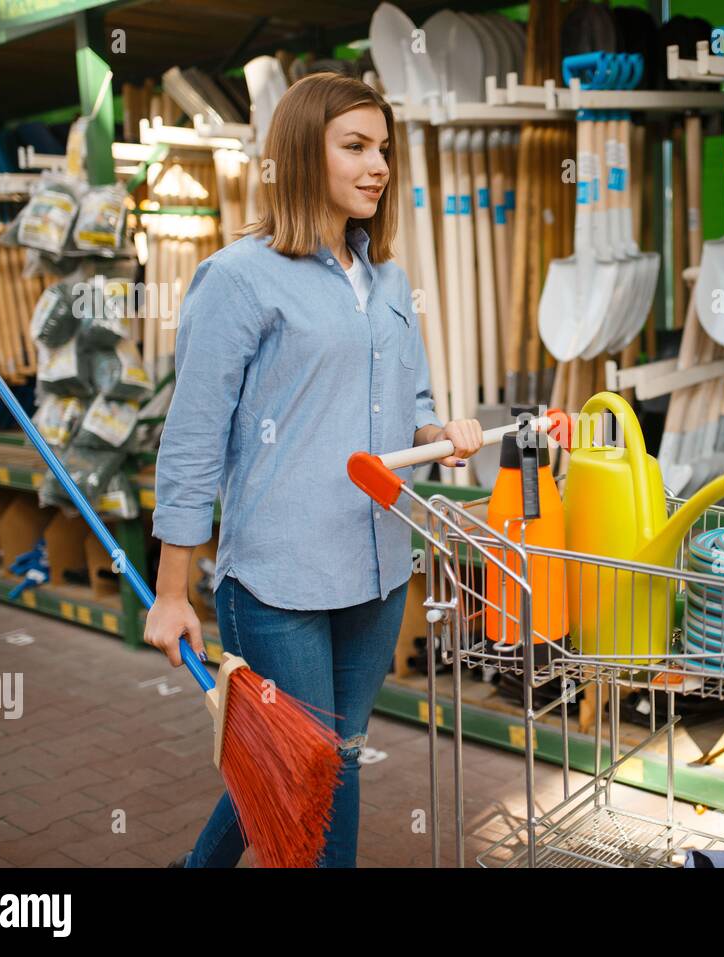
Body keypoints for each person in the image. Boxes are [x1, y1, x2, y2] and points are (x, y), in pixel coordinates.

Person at [144, 72, 482, 868]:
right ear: (303, 153)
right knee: (315, 766)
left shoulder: (390, 281)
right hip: (279, 578)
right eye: (356, 147)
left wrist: (443, 431)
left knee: (321, 756)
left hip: (375, 570)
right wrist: (171, 591)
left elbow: (413, 403)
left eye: (385, 151)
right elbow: (192, 439)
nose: (379, 168)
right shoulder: (238, 278)